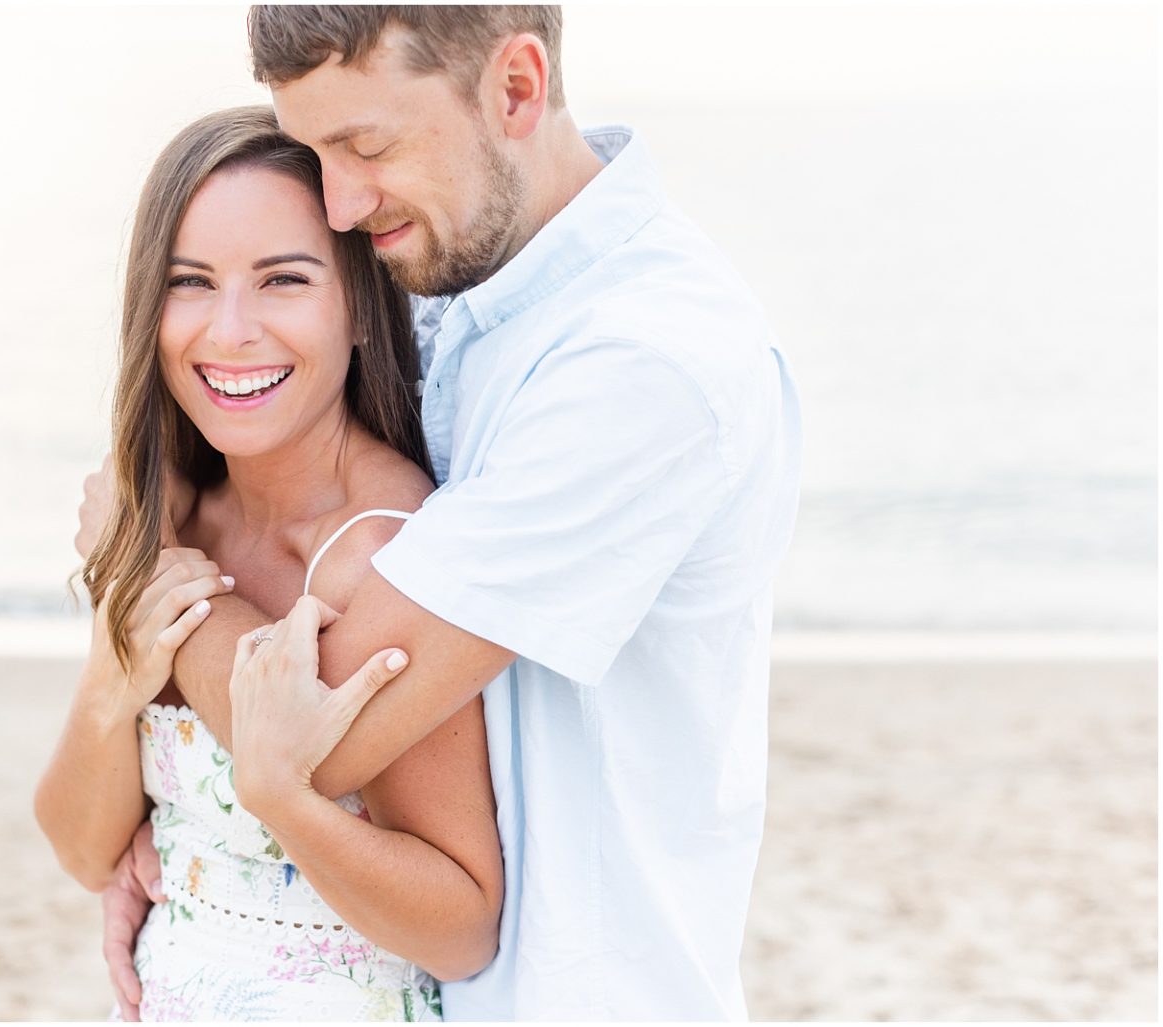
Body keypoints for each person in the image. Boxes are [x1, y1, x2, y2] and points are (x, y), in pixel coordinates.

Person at [81, 5, 803, 1020]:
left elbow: (320, 728)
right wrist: (192, 856)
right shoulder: (445, 267)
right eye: (314, 155)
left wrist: (150, 567)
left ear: (516, 88)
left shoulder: (646, 362)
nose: (338, 205)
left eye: (365, 146)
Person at [37, 105, 504, 1021]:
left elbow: (462, 927)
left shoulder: (380, 550)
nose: (230, 330)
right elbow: (84, 851)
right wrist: (109, 679)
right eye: (191, 282)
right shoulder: (175, 521)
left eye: (283, 279)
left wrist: (290, 806)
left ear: (361, 307)